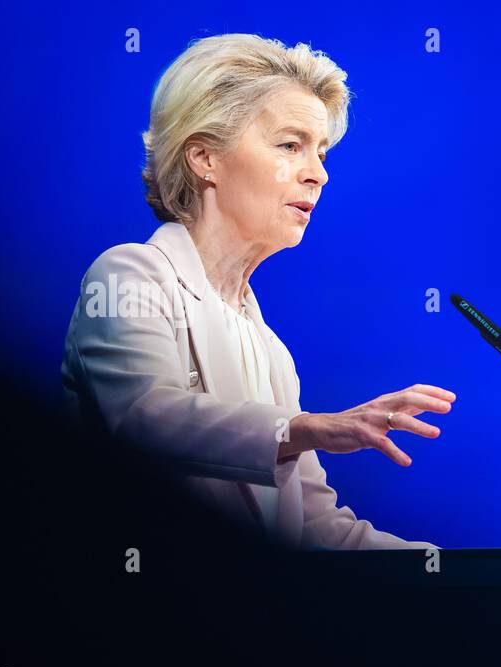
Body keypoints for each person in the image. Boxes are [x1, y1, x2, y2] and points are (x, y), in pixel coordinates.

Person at [60, 34, 454, 550]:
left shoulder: (270, 351)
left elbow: (319, 531)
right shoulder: (130, 275)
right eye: (291, 145)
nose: (318, 174)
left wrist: (476, 572)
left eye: (321, 152)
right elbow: (143, 418)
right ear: (204, 157)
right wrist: (304, 429)